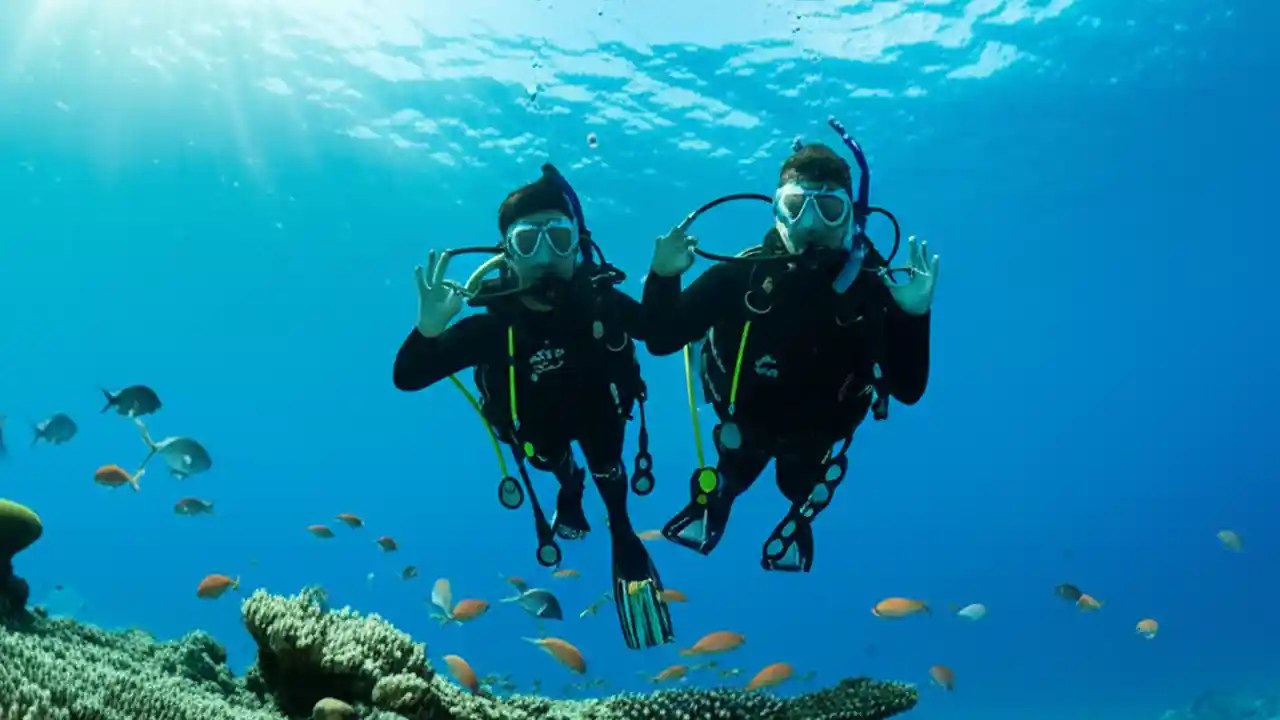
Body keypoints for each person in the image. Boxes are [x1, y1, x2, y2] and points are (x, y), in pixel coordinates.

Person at [392, 165, 674, 649]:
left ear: (577, 246)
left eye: (558, 239)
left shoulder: (603, 304)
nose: (545, 256)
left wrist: (664, 277)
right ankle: (569, 482)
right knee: (549, 459)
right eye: (528, 242)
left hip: (602, 417)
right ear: (508, 254)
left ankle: (620, 525)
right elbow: (408, 378)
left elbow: (665, 334)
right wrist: (429, 330)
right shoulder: (492, 327)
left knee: (609, 464)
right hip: (535, 431)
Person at [641, 132, 939, 573]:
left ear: (851, 219)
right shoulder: (737, 280)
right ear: (777, 211)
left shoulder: (871, 290)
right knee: (736, 472)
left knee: (798, 482)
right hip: (743, 425)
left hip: (818, 438)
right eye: (797, 207)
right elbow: (661, 339)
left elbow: (909, 388)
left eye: (829, 208)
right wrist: (662, 277)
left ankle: (798, 513)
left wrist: (915, 316)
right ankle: (719, 500)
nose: (812, 225)